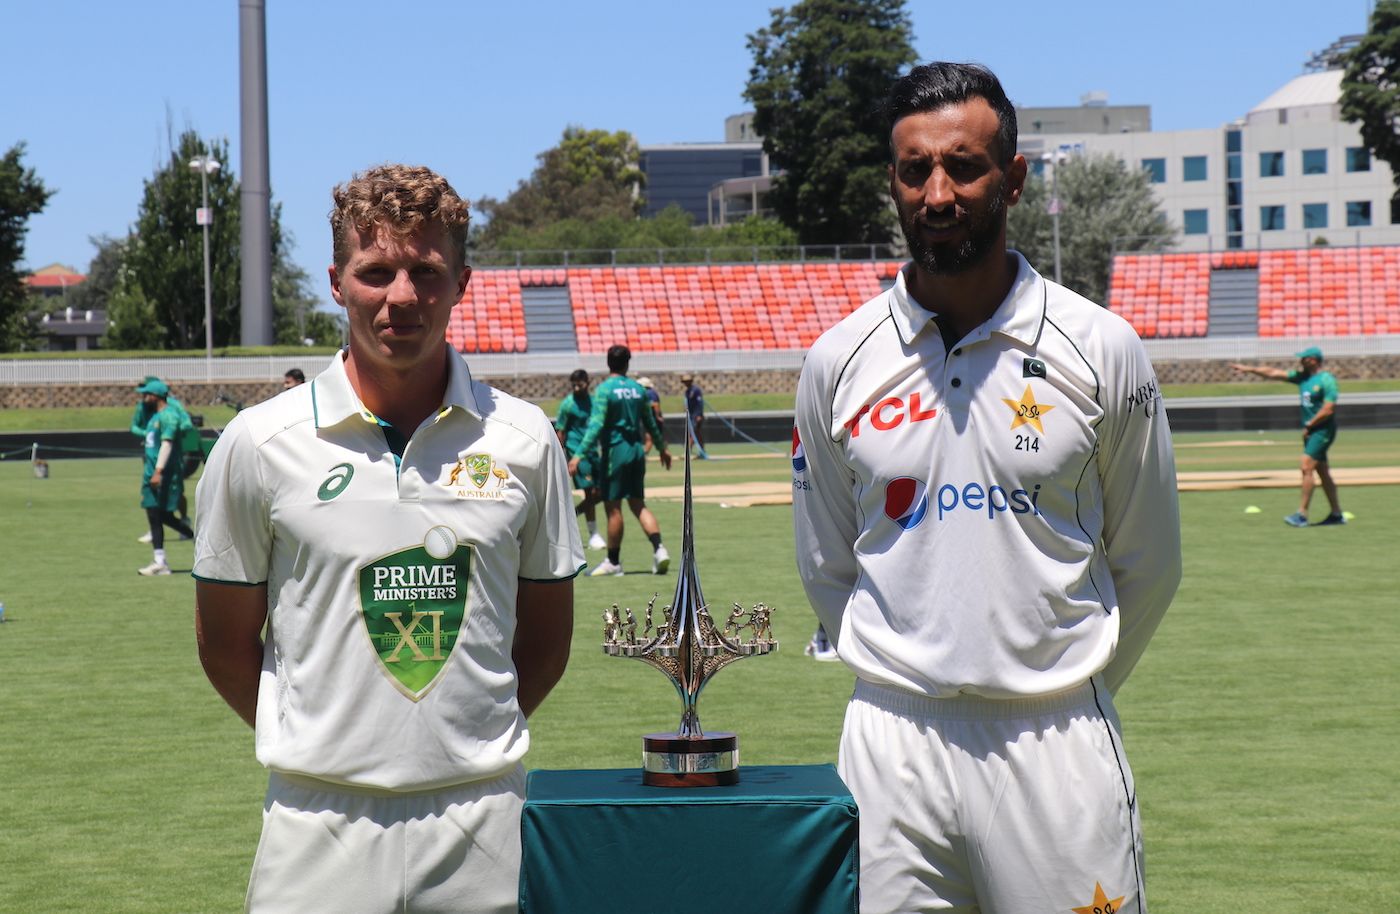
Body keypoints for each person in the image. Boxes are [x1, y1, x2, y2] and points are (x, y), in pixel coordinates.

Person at [791, 62, 1181, 914]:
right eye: (914, 169)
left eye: (963, 166)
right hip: (890, 742)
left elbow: (1149, 560)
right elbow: (827, 563)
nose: (938, 193)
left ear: (1011, 178)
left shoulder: (1102, 347)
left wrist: (1066, 677)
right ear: (891, 183)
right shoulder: (838, 361)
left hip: (1055, 739)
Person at [193, 164, 583, 914]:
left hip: (482, 821)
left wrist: (454, 741)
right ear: (337, 282)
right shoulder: (260, 442)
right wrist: (325, 740)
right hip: (316, 822)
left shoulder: (525, 440)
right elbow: (224, 646)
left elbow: (545, 646)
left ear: (462, 281)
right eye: (375, 271)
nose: (401, 295)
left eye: (425, 272)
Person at [568, 344, 673, 576]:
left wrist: (577, 456)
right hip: (637, 451)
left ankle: (613, 562)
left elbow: (595, 426)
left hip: (616, 451)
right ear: (628, 362)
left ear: (608, 363)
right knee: (638, 503)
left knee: (613, 507)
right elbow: (651, 424)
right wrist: (662, 448)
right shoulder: (638, 390)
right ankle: (660, 550)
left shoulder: (605, 390)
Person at [1230, 346, 1345, 527]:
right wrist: (1249, 369)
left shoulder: (1326, 380)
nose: (1300, 361)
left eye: (1304, 358)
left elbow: (1329, 408)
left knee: (1306, 466)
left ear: (1314, 360)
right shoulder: (1303, 378)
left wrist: (1310, 424)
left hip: (1322, 431)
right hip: (1311, 431)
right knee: (1322, 471)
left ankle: (1302, 514)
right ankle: (1337, 514)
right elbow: (1274, 373)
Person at [136, 378, 195, 575]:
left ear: (156, 396)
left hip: (164, 475)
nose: (143, 397)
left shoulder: (169, 415)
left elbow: (167, 443)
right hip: (151, 474)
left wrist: (158, 471)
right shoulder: (154, 416)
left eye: (147, 394)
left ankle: (195, 541)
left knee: (161, 515)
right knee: (156, 515)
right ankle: (160, 561)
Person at [556, 368, 608, 550]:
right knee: (589, 491)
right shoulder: (568, 404)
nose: (577, 388)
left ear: (588, 383)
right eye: (574, 385)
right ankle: (594, 534)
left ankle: (571, 517)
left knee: (601, 492)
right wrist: (560, 456)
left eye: (580, 384)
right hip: (576, 451)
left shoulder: (594, 402)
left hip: (593, 452)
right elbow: (560, 431)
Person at [636, 376, 665, 453]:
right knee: (651, 437)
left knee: (650, 437)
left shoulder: (650, 392)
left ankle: (644, 454)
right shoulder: (646, 392)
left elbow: (655, 404)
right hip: (651, 418)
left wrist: (657, 416)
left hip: (654, 418)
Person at [681, 372, 705, 456]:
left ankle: (687, 452)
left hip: (696, 416)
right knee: (697, 434)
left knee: (693, 433)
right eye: (684, 381)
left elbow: (700, 403)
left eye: (687, 381)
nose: (686, 383)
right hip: (691, 416)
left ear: (691, 381)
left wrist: (699, 415)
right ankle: (702, 452)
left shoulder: (696, 390)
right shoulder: (687, 391)